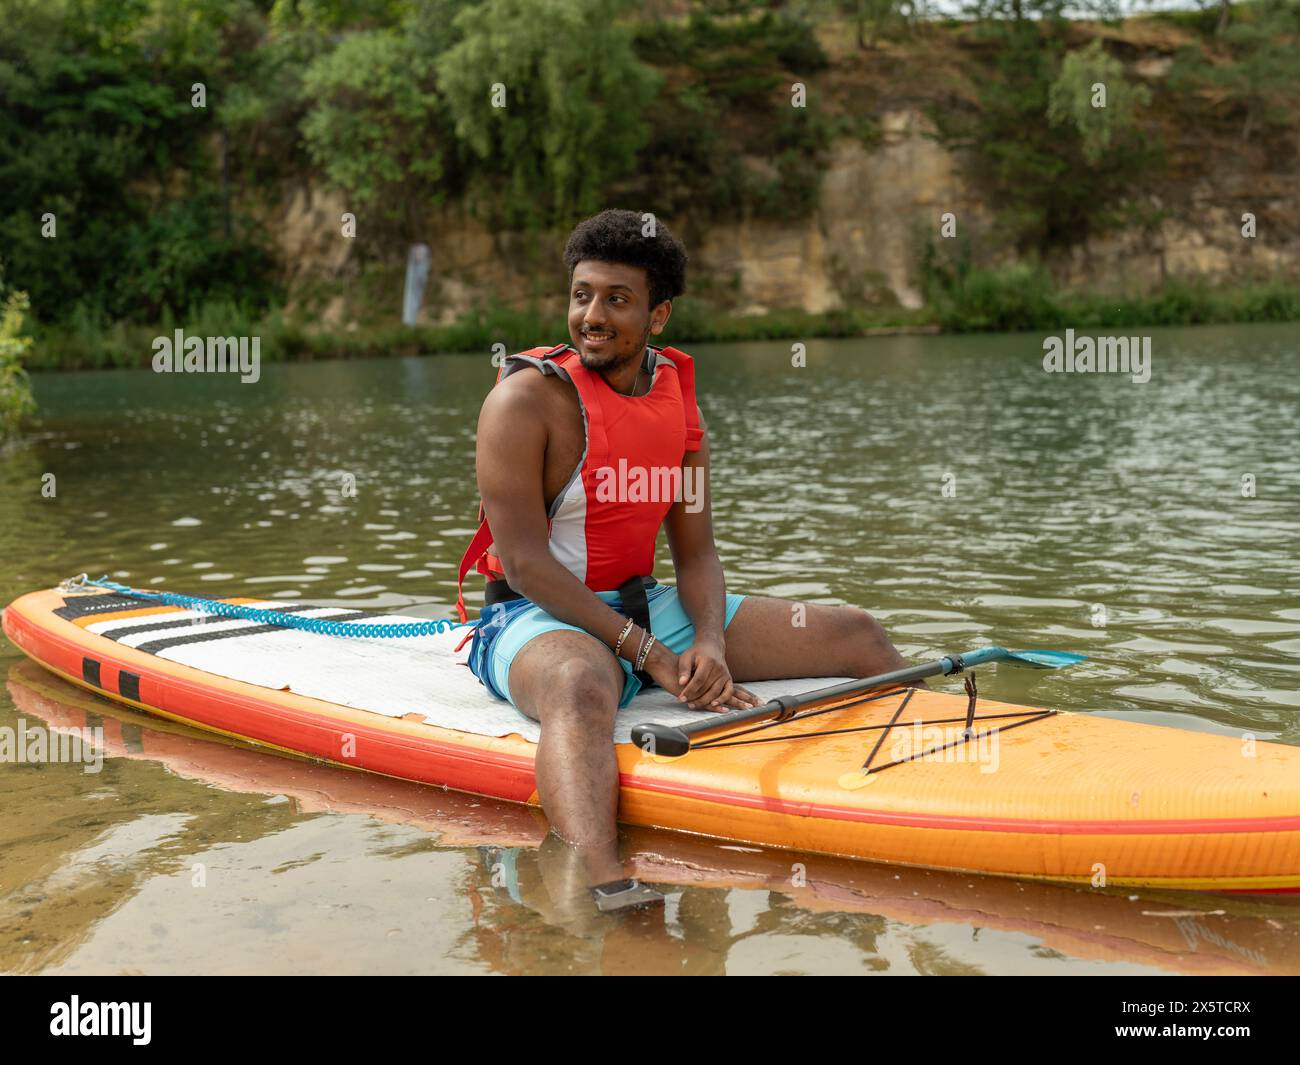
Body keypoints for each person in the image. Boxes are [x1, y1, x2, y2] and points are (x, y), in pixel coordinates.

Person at [456, 209, 913, 912]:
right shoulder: (521, 401)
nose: (593, 316)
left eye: (617, 298)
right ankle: (604, 886)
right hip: (533, 617)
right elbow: (523, 564)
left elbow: (696, 553)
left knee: (858, 633)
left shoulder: (676, 398)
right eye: (582, 295)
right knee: (579, 684)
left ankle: (931, 785)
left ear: (659, 314)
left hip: (644, 607)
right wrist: (650, 656)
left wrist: (705, 641)